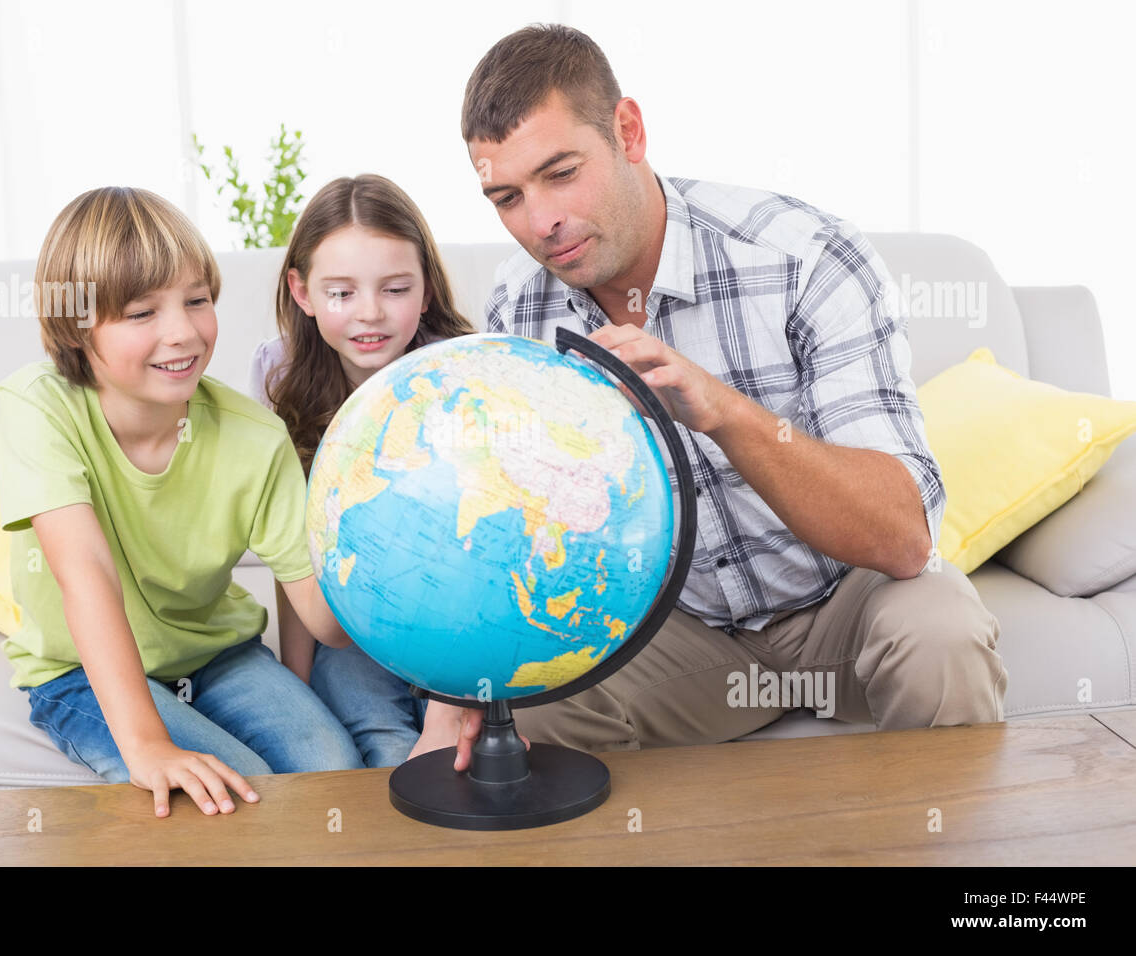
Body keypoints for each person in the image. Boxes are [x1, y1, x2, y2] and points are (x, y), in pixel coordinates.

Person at [415, 24, 1007, 764]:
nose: (540, 224)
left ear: (627, 131)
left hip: (846, 608)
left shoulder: (804, 258)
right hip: (682, 637)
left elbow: (903, 536)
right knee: (528, 712)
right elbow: (527, 532)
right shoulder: (521, 309)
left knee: (941, 632)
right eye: (506, 196)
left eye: (561, 173)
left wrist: (724, 413)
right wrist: (457, 693)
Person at [0, 186, 365, 819]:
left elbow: (326, 621)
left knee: (331, 772)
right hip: (76, 671)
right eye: (142, 313)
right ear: (76, 327)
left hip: (218, 656)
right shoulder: (40, 405)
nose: (183, 332)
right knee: (231, 793)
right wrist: (145, 744)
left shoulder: (254, 436)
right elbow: (83, 571)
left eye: (197, 301)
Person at [248, 173, 477, 766]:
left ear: (426, 290)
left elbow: (482, 559)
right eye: (341, 293)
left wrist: (453, 709)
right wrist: (298, 687)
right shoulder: (278, 373)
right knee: (377, 748)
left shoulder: (463, 373)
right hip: (354, 629)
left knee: (459, 755)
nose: (370, 314)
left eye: (396, 288)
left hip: (459, 624)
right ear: (302, 293)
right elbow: (289, 545)